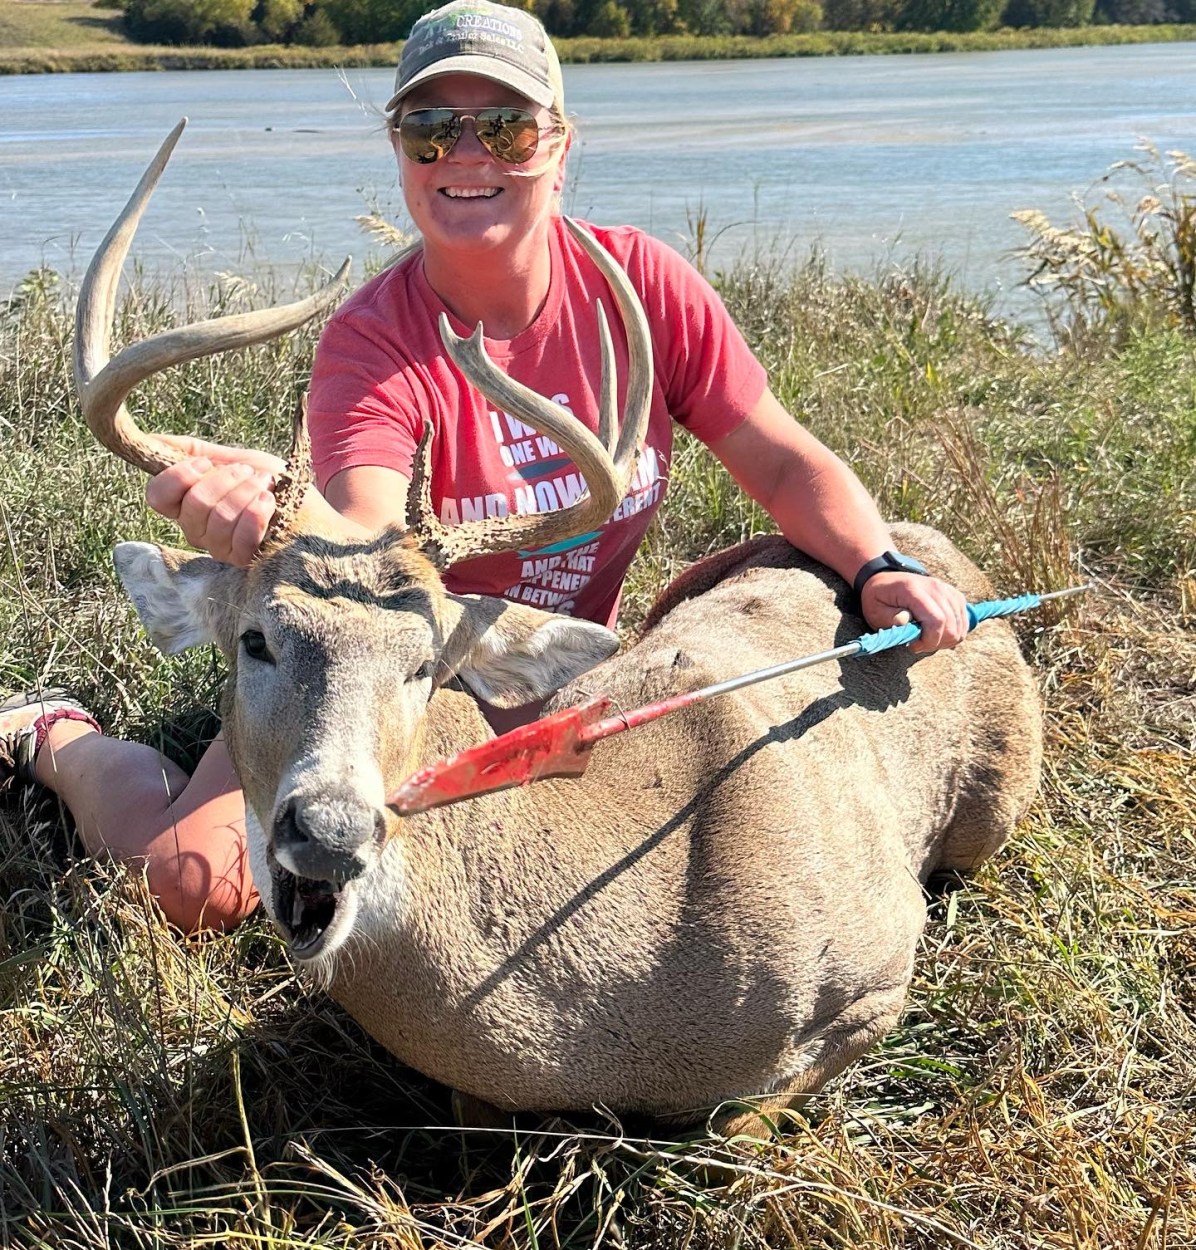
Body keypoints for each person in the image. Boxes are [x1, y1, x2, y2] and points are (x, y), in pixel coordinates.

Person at [0, 0, 970, 934]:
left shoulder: (641, 291)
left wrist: (879, 564)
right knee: (192, 884)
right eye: (430, 129)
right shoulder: (373, 343)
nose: (466, 156)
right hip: (386, 674)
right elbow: (361, 528)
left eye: (503, 128)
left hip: (544, 652)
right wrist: (272, 515)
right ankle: (60, 738)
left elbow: (781, 456)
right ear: (398, 147)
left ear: (557, 140)